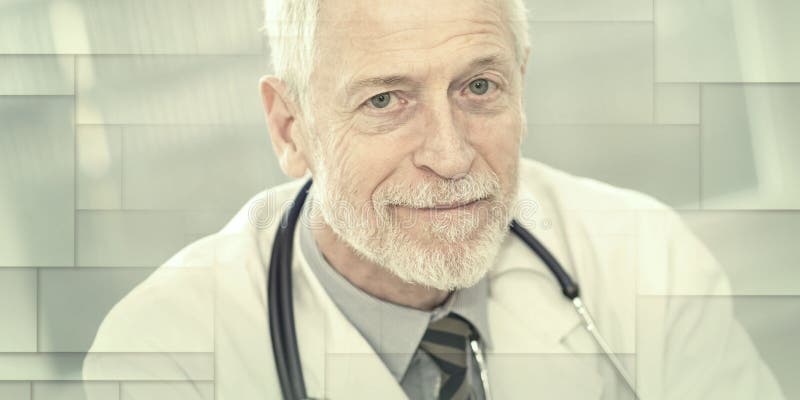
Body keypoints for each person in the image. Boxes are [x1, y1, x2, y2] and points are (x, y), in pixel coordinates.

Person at [83, 0, 785, 399]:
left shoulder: (644, 257)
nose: (450, 155)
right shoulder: (165, 355)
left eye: (479, 87)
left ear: (520, 81)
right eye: (386, 100)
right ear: (291, 127)